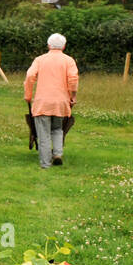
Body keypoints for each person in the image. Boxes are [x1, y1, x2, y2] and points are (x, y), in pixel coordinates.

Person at [23, 33, 79, 169]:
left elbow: (30, 75)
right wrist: (73, 96)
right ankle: (58, 154)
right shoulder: (69, 60)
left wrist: (28, 95)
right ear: (64, 46)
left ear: (48, 45)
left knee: (43, 133)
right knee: (57, 129)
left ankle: (45, 163)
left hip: (42, 102)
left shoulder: (39, 60)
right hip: (61, 102)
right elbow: (73, 78)